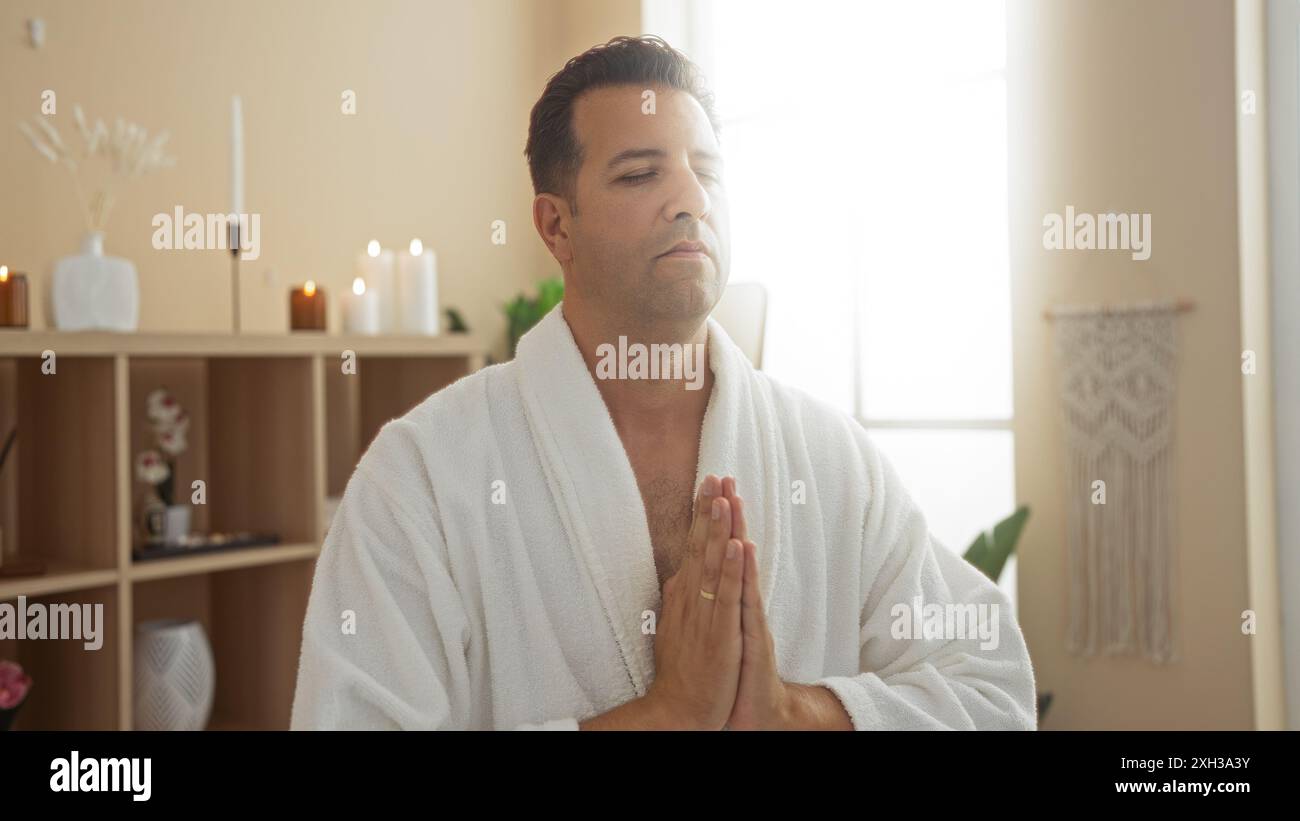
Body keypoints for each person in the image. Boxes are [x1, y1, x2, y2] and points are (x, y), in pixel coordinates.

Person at [291, 35, 1037, 730]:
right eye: (642, 173)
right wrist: (667, 714)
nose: (691, 200)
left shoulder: (828, 458)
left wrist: (791, 713)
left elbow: (993, 686)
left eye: (706, 171)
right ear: (556, 227)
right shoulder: (422, 475)